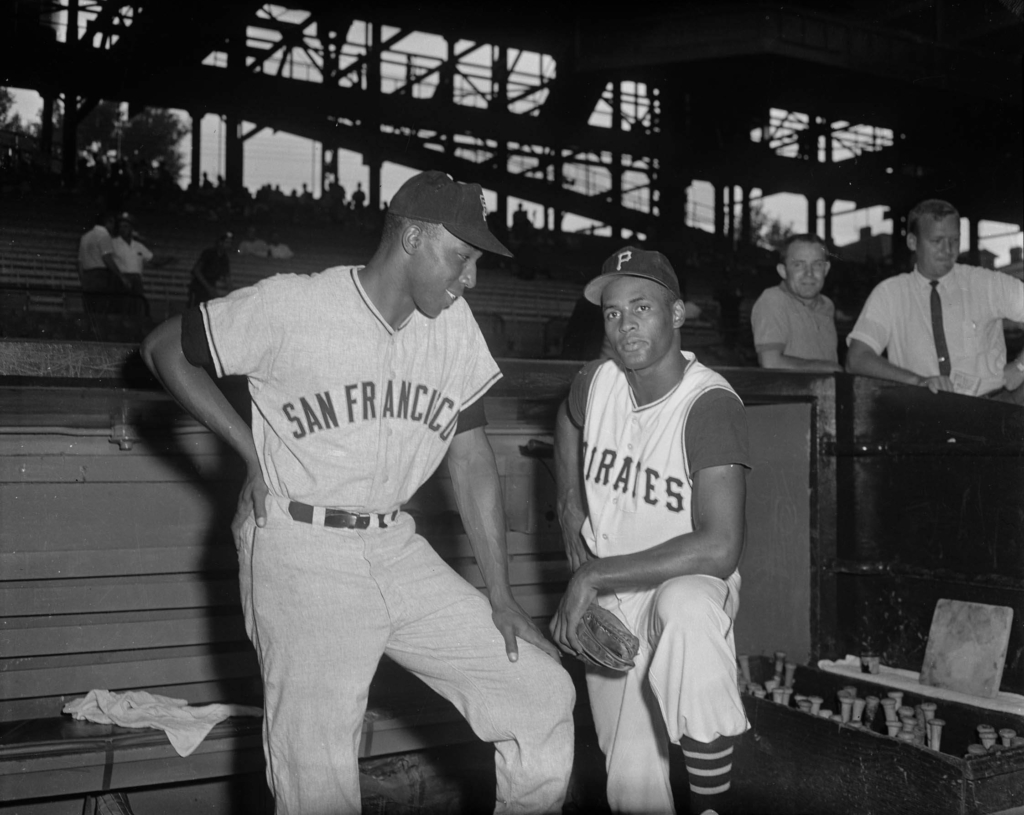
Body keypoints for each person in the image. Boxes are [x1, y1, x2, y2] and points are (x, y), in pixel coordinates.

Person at [140, 170, 575, 814]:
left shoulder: (451, 325)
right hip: (302, 549)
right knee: (317, 772)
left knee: (540, 693)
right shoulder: (294, 303)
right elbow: (162, 350)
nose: (471, 279)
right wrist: (248, 452)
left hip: (395, 545)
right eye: (461, 258)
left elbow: (473, 459)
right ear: (412, 238)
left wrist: (503, 596)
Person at [551, 247, 750, 815]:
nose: (625, 324)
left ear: (678, 313)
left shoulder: (707, 403)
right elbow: (566, 421)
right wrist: (569, 510)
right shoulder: (596, 383)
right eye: (612, 312)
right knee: (631, 787)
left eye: (642, 307)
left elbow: (720, 546)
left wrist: (589, 572)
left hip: (686, 578)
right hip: (611, 593)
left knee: (687, 610)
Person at [846, 199, 1024, 403]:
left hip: (991, 408)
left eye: (954, 240)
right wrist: (918, 381)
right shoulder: (889, 293)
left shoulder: (987, 283)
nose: (948, 250)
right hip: (922, 411)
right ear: (913, 242)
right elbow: (857, 358)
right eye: (937, 241)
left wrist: (1020, 366)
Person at [750, 233, 842, 372]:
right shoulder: (773, 300)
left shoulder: (827, 305)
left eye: (817, 265)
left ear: (826, 269)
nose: (809, 273)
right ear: (783, 271)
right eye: (798, 265)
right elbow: (770, 363)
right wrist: (830, 369)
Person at [78, 212, 129, 315]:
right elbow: (106, 257)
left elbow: (80, 261)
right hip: (100, 276)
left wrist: (83, 278)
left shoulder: (85, 236)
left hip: (87, 276)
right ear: (108, 222)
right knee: (101, 308)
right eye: (113, 223)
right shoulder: (104, 235)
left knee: (89, 310)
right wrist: (121, 276)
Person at [187, 232, 233, 307]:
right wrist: (208, 287)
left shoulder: (225, 258)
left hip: (210, 288)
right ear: (220, 242)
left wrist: (233, 293)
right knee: (194, 309)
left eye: (230, 243)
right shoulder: (209, 253)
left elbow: (227, 277)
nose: (229, 245)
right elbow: (196, 270)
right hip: (198, 287)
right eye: (227, 242)